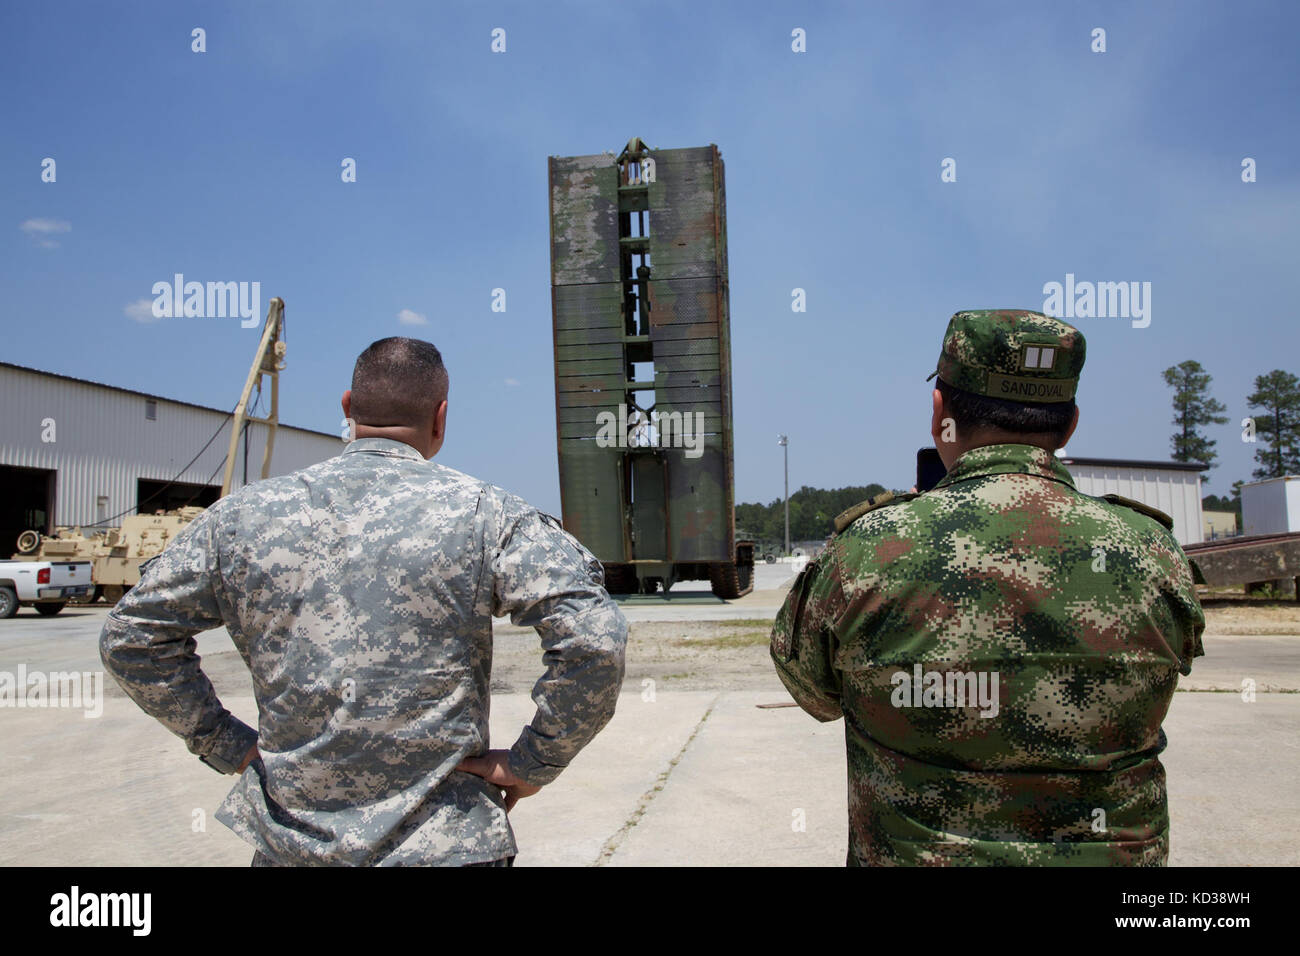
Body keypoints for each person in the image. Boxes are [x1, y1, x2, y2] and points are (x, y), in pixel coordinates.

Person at [100, 337, 628, 866]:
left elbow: (132, 637)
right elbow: (594, 640)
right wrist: (531, 762)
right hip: (446, 845)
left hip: (293, 844)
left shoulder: (242, 518)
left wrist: (226, 743)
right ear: (441, 418)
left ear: (348, 408)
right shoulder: (486, 515)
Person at [770, 310, 1205, 866]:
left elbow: (812, 692)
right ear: (1070, 424)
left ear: (939, 417)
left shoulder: (867, 548)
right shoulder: (1153, 552)